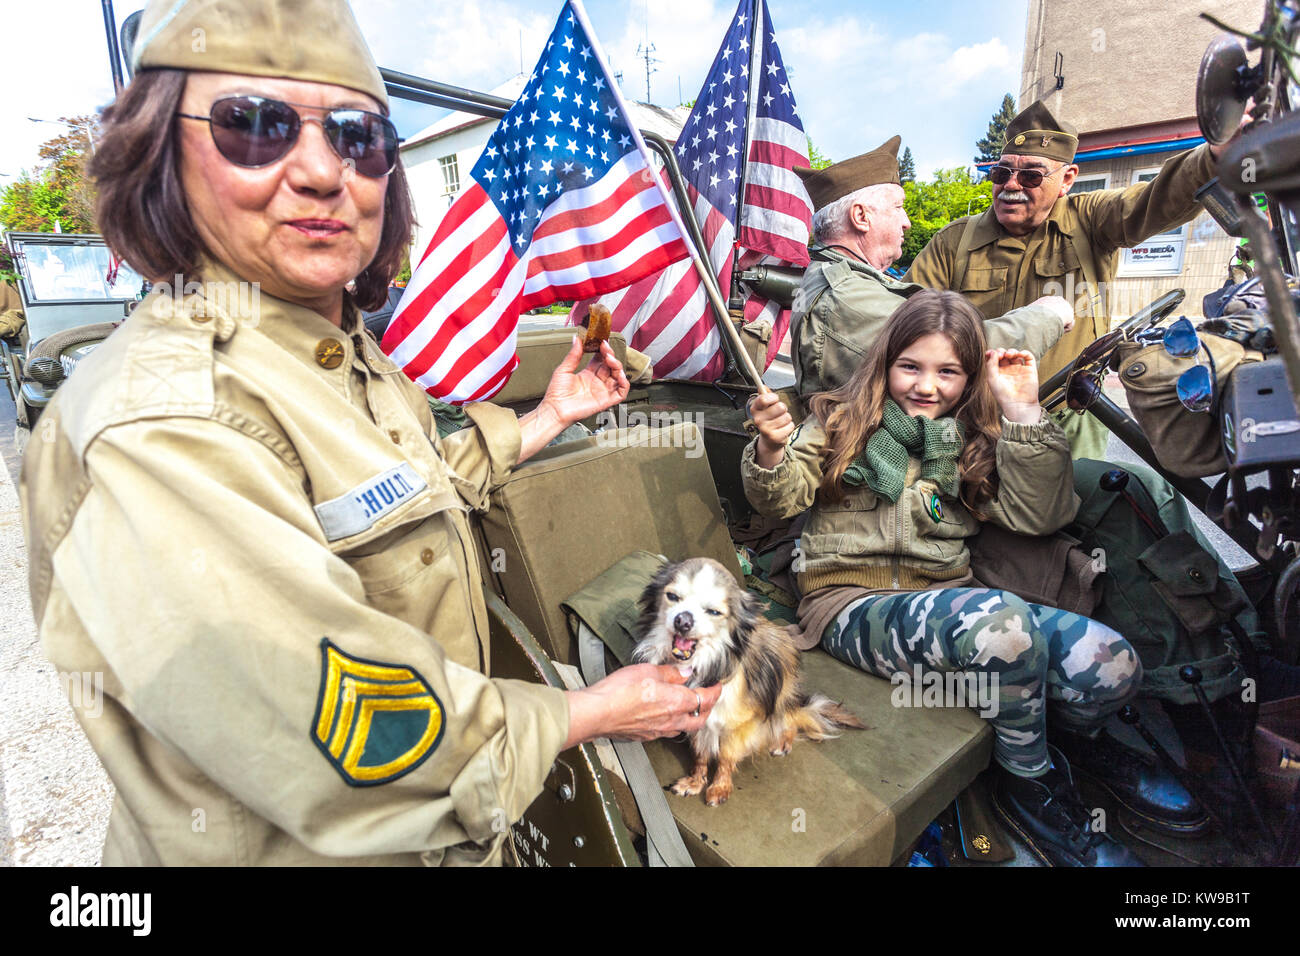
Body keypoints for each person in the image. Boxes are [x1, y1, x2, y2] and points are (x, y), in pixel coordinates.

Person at [19, 0, 720, 867]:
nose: (322, 171)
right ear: (161, 156)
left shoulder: (330, 348)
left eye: (357, 136)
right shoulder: (161, 419)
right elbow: (361, 744)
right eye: (253, 125)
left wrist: (550, 416)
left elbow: (399, 493)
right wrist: (593, 712)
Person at [742, 290, 1211, 866]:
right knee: (1003, 627)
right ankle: (1030, 789)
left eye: (948, 372)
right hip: (847, 603)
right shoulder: (838, 419)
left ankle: (1071, 747)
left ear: (969, 379)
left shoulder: (974, 442)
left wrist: (1022, 416)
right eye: (909, 366)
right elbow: (778, 498)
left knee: (1112, 662)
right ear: (885, 362)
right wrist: (770, 448)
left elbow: (1043, 515)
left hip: (952, 600)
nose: (926, 386)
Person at [906, 99, 1231, 459]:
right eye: (1001, 174)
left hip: (1068, 418)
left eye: (1030, 175)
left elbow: (1154, 200)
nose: (1011, 185)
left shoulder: (1090, 221)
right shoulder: (954, 241)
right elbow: (907, 321)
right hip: (978, 419)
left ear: (1067, 180)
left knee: (1080, 508)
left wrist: (1214, 156)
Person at [788, 134, 1074, 399]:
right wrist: (1047, 314)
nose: (907, 221)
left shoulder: (840, 280)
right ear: (861, 217)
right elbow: (955, 351)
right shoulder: (847, 294)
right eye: (898, 207)